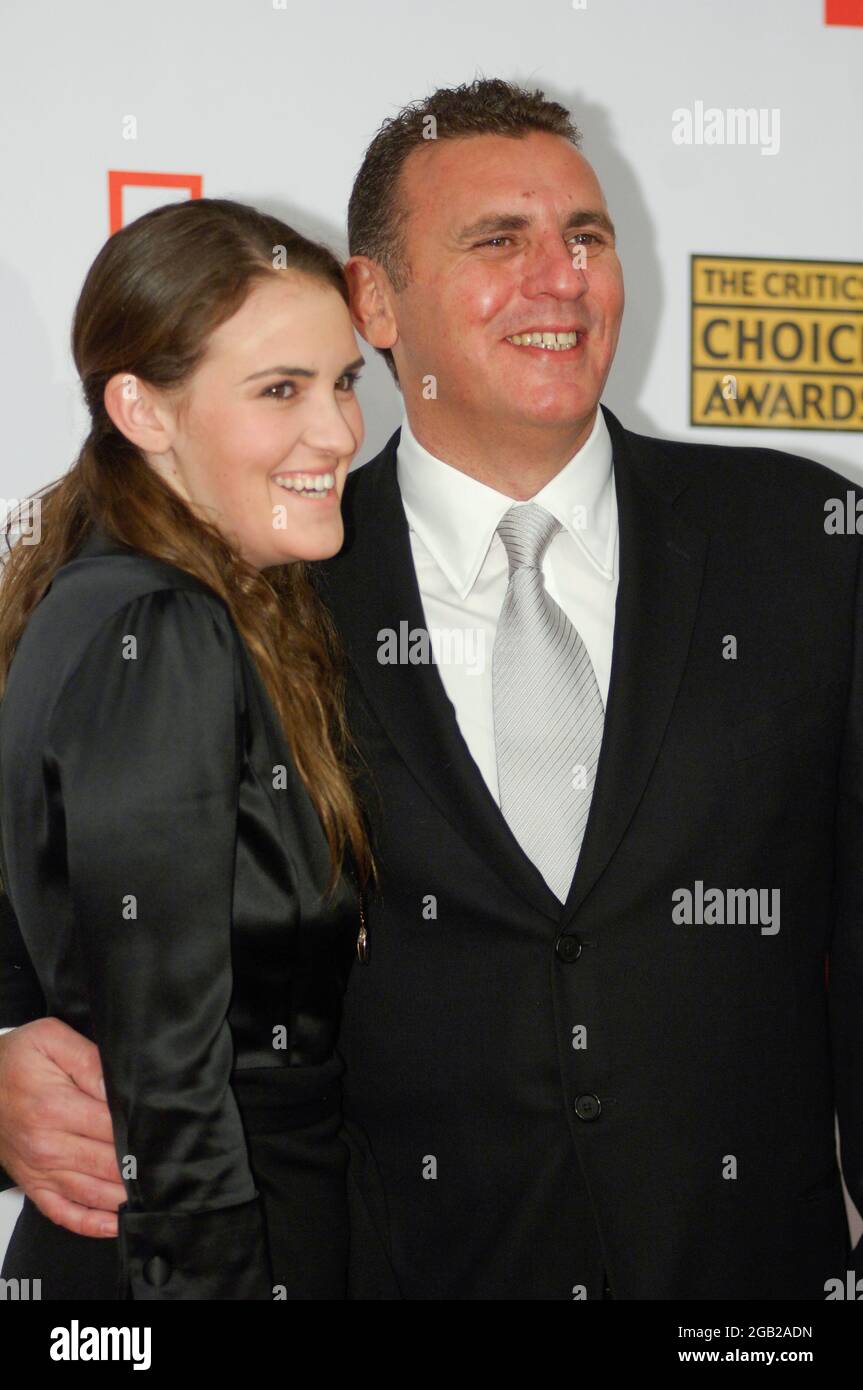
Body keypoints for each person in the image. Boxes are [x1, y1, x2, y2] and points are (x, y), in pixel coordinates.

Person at [1, 78, 862, 1300]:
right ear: (372, 301)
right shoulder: (248, 579)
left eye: (585, 237)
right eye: (496, 242)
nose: (557, 276)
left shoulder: (804, 541)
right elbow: (55, 927)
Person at [0, 196, 374, 1299]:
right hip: (192, 1257)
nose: (340, 432)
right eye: (279, 391)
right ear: (142, 410)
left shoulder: (113, 596)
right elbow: (169, 1077)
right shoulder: (159, 626)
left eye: (344, 381)